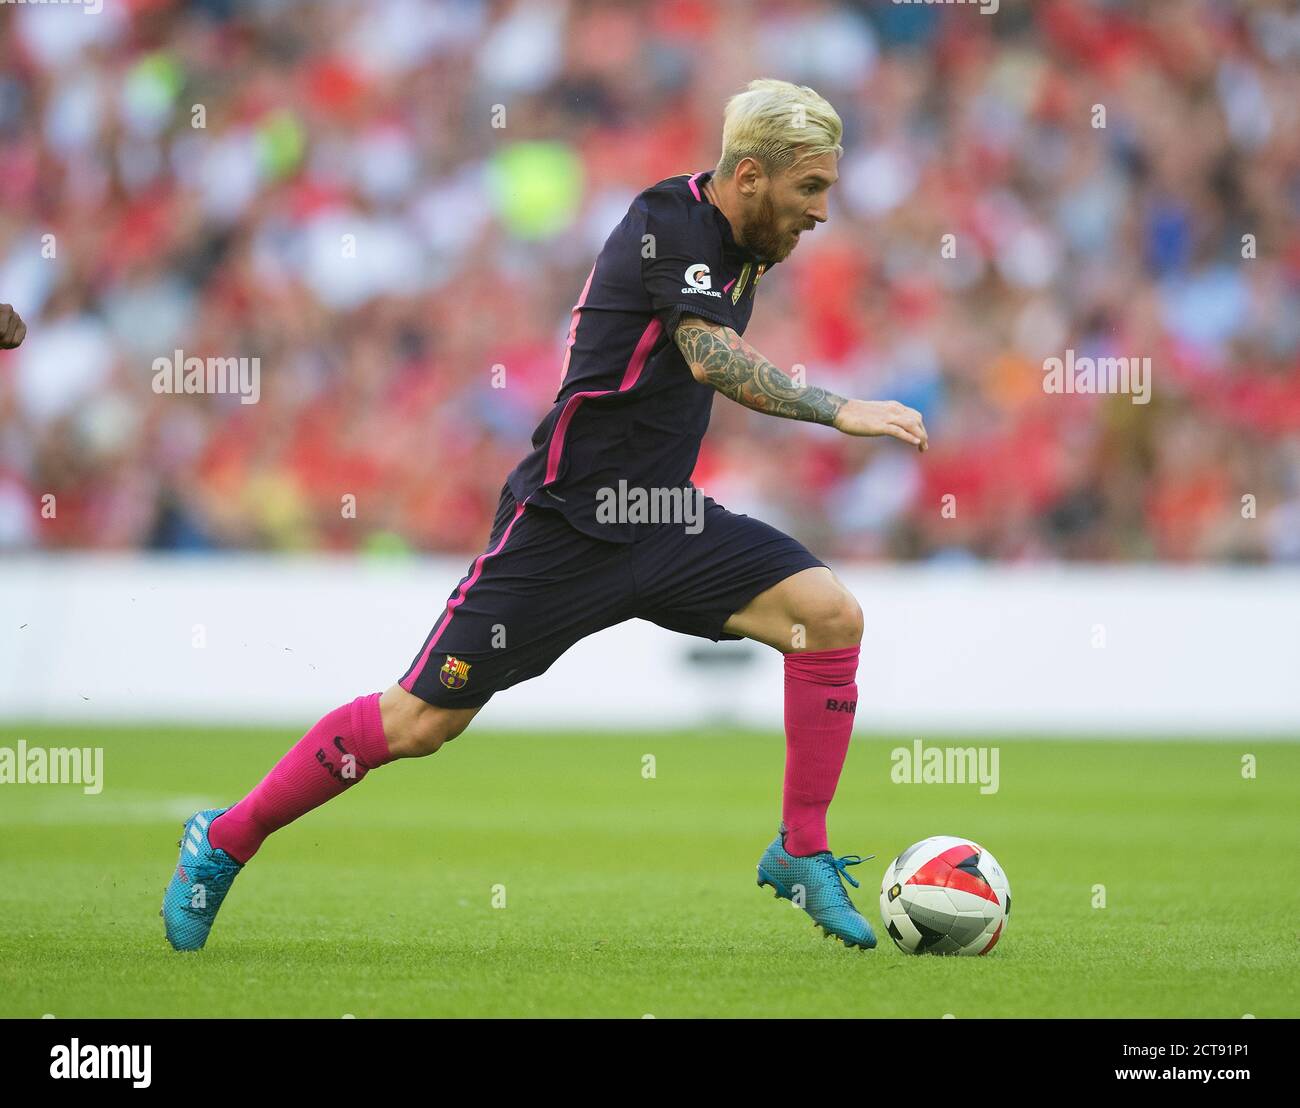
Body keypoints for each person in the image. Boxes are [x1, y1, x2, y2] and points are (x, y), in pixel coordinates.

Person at [163, 78, 928, 952]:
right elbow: (711, 357)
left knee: (827, 618)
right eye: (812, 189)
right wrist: (838, 408)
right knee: (419, 723)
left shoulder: (748, 241)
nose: (823, 211)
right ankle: (223, 841)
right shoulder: (667, 223)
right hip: (563, 526)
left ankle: (802, 848)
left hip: (660, 517)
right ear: (750, 176)